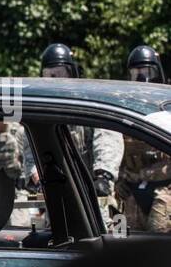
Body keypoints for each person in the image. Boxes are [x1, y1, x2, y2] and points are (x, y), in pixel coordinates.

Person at [39, 43, 122, 220]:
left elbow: (106, 136)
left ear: (71, 73)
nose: (53, 80)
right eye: (49, 75)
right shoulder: (42, 108)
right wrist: (33, 173)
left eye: (58, 74)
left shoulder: (88, 104)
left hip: (95, 192)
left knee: (104, 236)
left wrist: (103, 174)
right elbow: (31, 140)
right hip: (59, 193)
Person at [117, 45, 171, 233]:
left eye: (146, 70)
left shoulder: (167, 105)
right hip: (129, 193)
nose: (141, 76)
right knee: (123, 244)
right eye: (135, 72)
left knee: (159, 250)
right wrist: (118, 180)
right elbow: (113, 148)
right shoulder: (121, 107)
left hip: (163, 192)